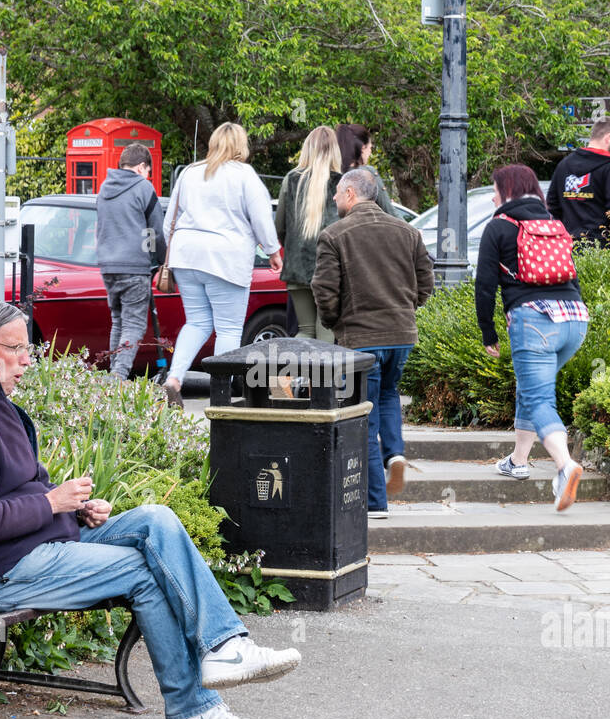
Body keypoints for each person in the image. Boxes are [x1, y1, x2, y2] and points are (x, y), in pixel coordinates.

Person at [0, 300, 301, 719]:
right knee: (143, 573)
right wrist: (53, 503)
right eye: (16, 349)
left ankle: (226, 646)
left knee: (156, 519)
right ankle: (193, 711)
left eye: (27, 348)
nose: (28, 360)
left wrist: (73, 508)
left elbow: (25, 488)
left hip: (34, 546)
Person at [312, 168, 434, 517]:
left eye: (337, 192)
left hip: (360, 338)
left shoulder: (334, 236)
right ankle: (394, 453)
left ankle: (375, 501)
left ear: (351, 193)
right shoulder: (408, 232)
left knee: (361, 414)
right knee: (388, 396)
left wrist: (335, 323)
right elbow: (426, 283)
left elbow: (324, 291)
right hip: (401, 335)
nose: (334, 199)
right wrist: (406, 310)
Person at [474, 165, 589, 512]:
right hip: (575, 320)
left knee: (540, 399)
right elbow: (570, 274)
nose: (493, 196)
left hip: (535, 321)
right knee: (531, 388)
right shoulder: (554, 224)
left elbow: (484, 286)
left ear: (507, 190)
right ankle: (518, 461)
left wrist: (488, 332)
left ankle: (565, 466)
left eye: (495, 189)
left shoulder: (499, 226)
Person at [161, 123, 282, 408]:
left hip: (186, 256)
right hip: (225, 258)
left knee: (197, 322)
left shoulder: (190, 172)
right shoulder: (244, 175)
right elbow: (262, 218)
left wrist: (179, 251)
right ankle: (220, 394)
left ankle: (174, 378)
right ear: (241, 145)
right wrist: (273, 251)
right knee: (227, 328)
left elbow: (170, 223)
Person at [95, 144, 165, 380]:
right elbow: (154, 232)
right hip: (134, 266)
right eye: (148, 171)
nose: (148, 176)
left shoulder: (105, 187)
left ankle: (113, 374)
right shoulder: (143, 187)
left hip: (108, 265)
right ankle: (119, 374)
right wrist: (161, 260)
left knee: (118, 320)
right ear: (141, 166)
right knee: (134, 324)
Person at [275, 126, 342, 341]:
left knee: (305, 331)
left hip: (296, 267)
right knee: (326, 331)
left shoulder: (291, 179)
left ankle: (300, 375)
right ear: (335, 151)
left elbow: (280, 227)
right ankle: (324, 376)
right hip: (331, 270)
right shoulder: (342, 183)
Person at [545, 117, 610, 247]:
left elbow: (552, 206)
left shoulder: (565, 165)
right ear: (609, 137)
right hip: (599, 253)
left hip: (567, 249)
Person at [335, 124, 395, 216]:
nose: (370, 153)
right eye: (370, 148)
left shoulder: (333, 173)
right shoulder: (368, 173)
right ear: (363, 148)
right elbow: (388, 210)